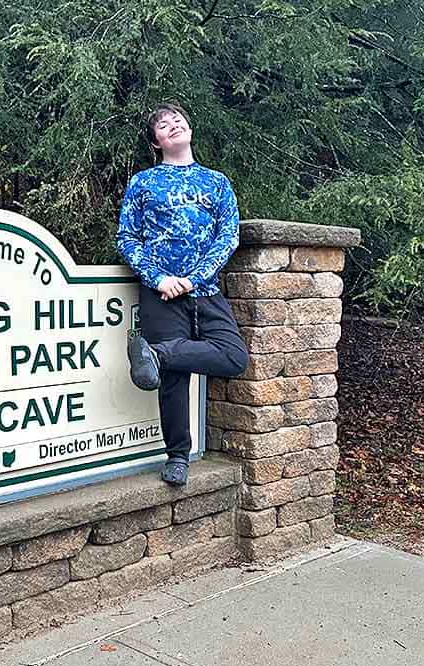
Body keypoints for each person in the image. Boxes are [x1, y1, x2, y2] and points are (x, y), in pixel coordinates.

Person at [116, 101, 249, 486]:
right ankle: (177, 455)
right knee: (173, 381)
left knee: (233, 356)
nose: (171, 125)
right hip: (160, 292)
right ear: (156, 142)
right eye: (162, 125)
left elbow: (229, 235)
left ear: (189, 129)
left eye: (177, 120)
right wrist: (157, 277)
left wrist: (195, 278)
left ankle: (155, 354)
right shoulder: (144, 182)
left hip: (205, 290)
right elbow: (127, 237)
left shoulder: (217, 182)